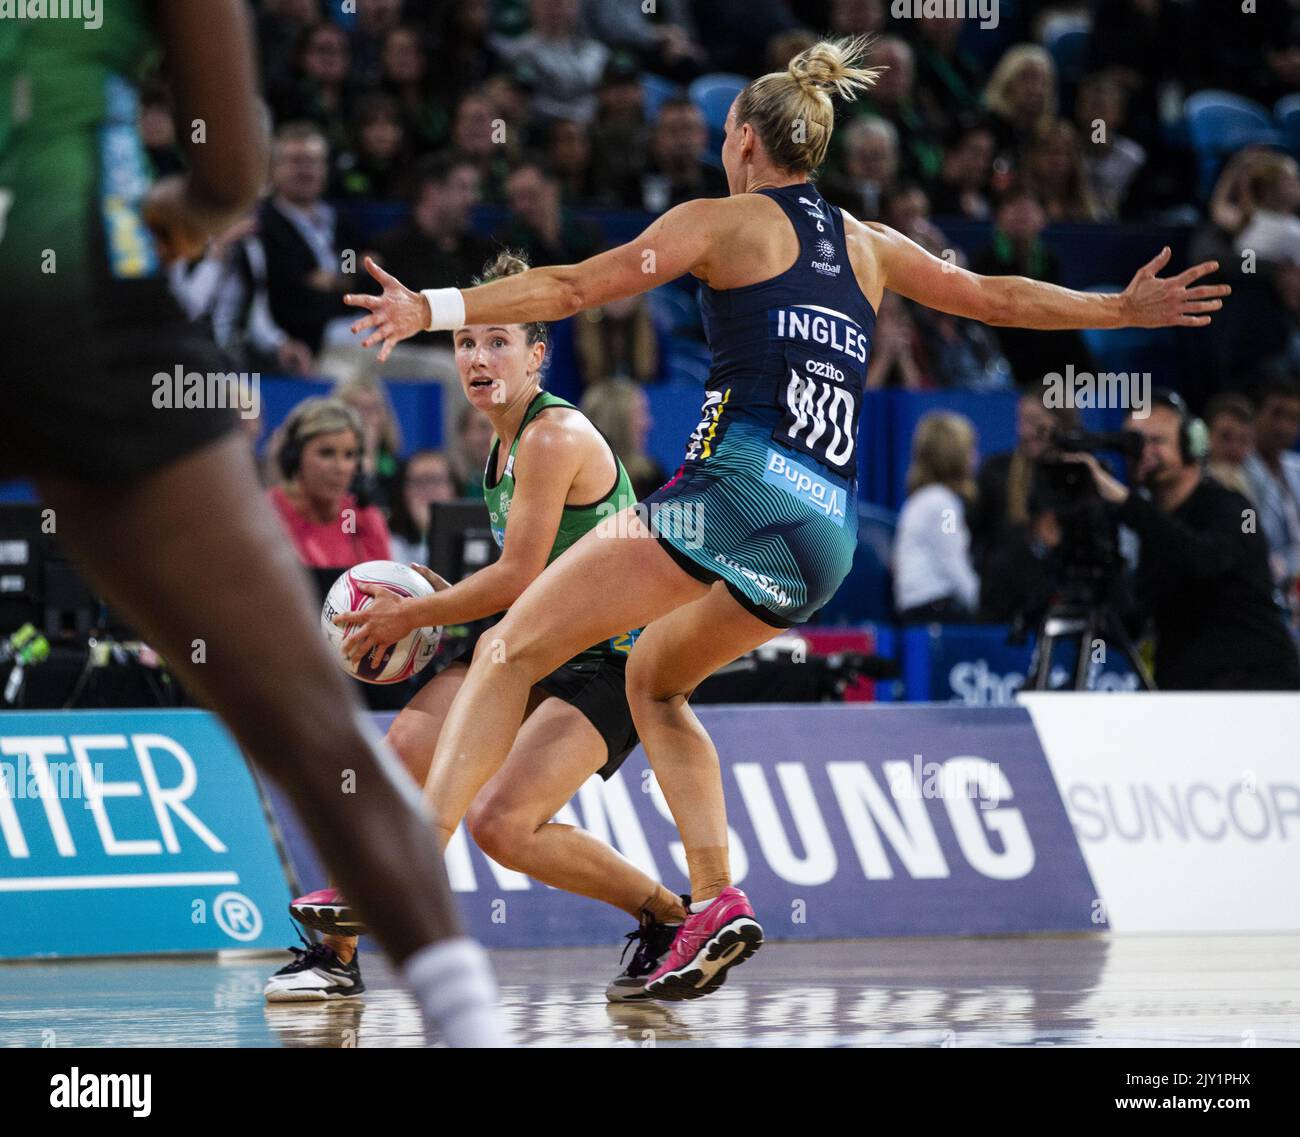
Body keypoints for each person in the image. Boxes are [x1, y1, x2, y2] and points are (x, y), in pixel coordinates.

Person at [345, 36, 1229, 1001]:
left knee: (510, 650)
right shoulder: (872, 245)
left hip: (733, 494)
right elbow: (990, 298)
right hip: (824, 537)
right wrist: (1119, 305)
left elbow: (568, 288)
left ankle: (405, 874)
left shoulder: (726, 222)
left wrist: (435, 306)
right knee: (656, 681)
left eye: (725, 134)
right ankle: (715, 898)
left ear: (743, 143)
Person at [0, 0, 505, 1046]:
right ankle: (468, 1030)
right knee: (322, 744)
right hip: (81, 313)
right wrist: (166, 224)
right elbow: (230, 173)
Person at [268, 252, 690, 1004]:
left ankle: (665, 918)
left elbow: (522, 576)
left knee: (504, 825)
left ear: (537, 354)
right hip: (530, 644)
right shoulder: (499, 441)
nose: (478, 357)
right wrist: (442, 593)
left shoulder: (552, 435)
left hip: (612, 658)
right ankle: (336, 953)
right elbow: (534, 573)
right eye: (467, 342)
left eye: (499, 341)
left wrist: (415, 611)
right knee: (405, 746)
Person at [1066, 394, 1300, 690]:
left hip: (1254, 691)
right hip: (1185, 697)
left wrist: (1127, 503)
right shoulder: (1154, 524)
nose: (1143, 452)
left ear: (1192, 445)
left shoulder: (1235, 509)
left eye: (1156, 441)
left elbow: (1205, 559)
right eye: (1133, 443)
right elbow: (1133, 624)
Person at [267, 398, 392, 567]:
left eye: (349, 455)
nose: (340, 467)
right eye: (326, 453)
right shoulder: (267, 514)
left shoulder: (364, 520)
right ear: (295, 456)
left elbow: (385, 589)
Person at [893, 412, 980, 622]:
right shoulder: (943, 506)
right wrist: (981, 604)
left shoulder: (925, 500)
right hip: (932, 610)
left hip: (920, 609)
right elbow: (952, 558)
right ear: (954, 456)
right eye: (971, 450)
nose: (976, 457)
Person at [1243, 376, 1300, 588]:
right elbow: (1246, 534)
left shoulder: (1296, 469)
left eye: (1294, 418)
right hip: (1264, 585)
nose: (1284, 426)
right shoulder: (1238, 476)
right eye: (1277, 414)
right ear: (1254, 414)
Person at [389, 450, 457, 566]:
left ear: (453, 488)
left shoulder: (471, 535)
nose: (428, 489)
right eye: (418, 481)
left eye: (435, 480)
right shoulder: (391, 543)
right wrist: (427, 530)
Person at [1203, 393, 1255, 499]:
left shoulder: (1254, 481)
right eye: (1225, 437)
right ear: (1205, 436)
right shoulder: (1189, 486)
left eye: (1243, 440)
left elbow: (1250, 516)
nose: (1234, 448)